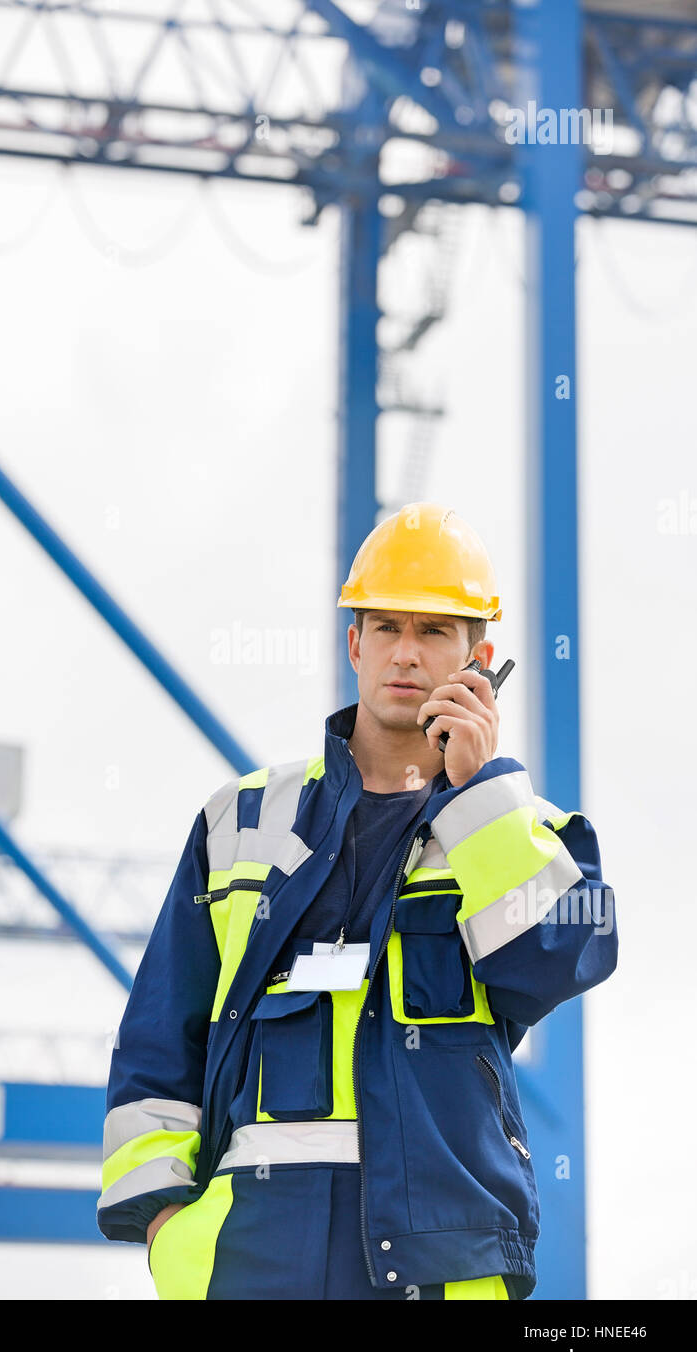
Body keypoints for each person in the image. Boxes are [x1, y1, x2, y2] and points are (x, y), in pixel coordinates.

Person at [97, 502, 618, 1300]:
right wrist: (171, 1230)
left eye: (435, 631)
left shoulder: (525, 830)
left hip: (448, 1263)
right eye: (387, 628)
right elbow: (161, 1042)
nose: (406, 654)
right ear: (355, 643)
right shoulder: (240, 820)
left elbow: (549, 964)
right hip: (251, 1257)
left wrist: (477, 793)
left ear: (477, 659)